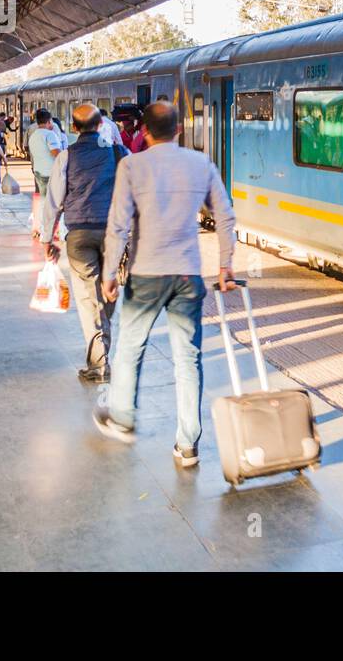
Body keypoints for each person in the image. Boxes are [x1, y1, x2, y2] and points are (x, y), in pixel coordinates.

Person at [92, 101, 236, 468]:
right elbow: (224, 214)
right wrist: (225, 265)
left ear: (144, 132)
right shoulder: (199, 163)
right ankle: (188, 444)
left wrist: (109, 273)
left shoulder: (131, 165)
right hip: (187, 275)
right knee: (188, 359)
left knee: (130, 348)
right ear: (179, 131)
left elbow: (119, 225)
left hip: (146, 274)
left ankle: (122, 418)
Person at [37, 105, 130, 384]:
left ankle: (99, 364)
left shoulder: (66, 157)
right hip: (113, 233)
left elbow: (53, 201)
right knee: (107, 294)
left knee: (90, 299)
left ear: (74, 128)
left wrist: (47, 239)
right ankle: (102, 354)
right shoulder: (119, 153)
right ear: (101, 123)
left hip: (79, 235)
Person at [27, 108, 63, 196]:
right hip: (49, 172)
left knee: (42, 196)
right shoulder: (50, 134)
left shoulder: (34, 135)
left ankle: (38, 209)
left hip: (38, 171)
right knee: (50, 199)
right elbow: (56, 153)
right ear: (49, 121)